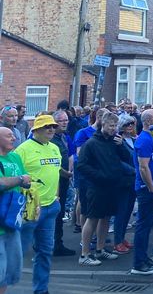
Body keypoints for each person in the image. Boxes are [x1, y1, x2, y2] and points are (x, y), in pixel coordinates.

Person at [77, 111, 133, 266]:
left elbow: (127, 158)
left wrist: (121, 145)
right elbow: (81, 166)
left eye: (115, 125)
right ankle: (85, 254)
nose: (113, 128)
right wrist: (99, 176)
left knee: (106, 218)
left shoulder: (115, 141)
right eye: (110, 125)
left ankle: (100, 250)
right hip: (97, 187)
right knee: (92, 218)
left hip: (113, 186)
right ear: (103, 124)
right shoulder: (91, 143)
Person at [16, 115, 63, 294]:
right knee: (17, 253)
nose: (51, 130)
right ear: (36, 130)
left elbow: (55, 173)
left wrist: (57, 195)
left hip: (50, 207)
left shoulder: (54, 148)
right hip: (30, 210)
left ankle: (41, 290)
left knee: (45, 252)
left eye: (52, 127)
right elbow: (16, 177)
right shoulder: (23, 150)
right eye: (46, 127)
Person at [125, 109, 153, 275]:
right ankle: (139, 263)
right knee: (143, 226)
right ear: (147, 121)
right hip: (146, 189)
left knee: (146, 226)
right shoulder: (145, 140)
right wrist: (152, 188)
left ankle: (144, 258)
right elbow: (143, 166)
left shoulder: (150, 137)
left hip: (152, 187)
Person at [0, 126, 30, 294]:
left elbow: (26, 179)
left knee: (9, 272)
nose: (13, 138)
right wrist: (20, 179)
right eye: (8, 136)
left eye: (13, 135)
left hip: (12, 221)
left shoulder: (15, 157)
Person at [50, 110, 76, 257]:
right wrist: (65, 173)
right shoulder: (51, 139)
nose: (65, 123)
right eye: (61, 121)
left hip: (65, 179)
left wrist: (70, 171)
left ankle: (58, 243)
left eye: (66, 120)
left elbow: (71, 154)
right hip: (55, 181)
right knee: (53, 212)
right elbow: (52, 162)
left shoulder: (65, 137)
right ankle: (49, 244)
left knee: (59, 212)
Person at [113, 114, 138, 255]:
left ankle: (122, 239)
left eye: (132, 124)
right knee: (121, 212)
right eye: (127, 124)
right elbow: (118, 161)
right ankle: (117, 241)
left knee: (128, 211)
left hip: (133, 180)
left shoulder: (134, 139)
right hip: (123, 180)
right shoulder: (118, 140)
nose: (130, 127)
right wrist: (133, 170)